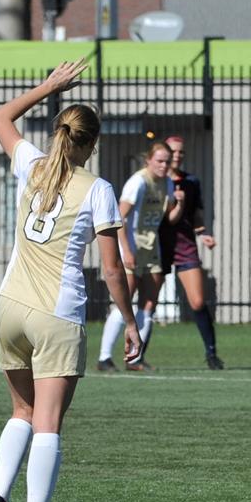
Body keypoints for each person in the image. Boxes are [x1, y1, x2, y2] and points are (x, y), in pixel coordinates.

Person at [0, 61, 140, 502]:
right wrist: (130, 322)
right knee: (47, 422)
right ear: (91, 143)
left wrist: (48, 86)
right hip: (56, 313)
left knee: (20, 412)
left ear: (57, 133)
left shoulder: (31, 164)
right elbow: (112, 270)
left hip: (8, 307)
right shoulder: (97, 188)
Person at [96, 142, 169, 372]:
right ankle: (104, 357)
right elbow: (119, 217)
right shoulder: (138, 182)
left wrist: (180, 202)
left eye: (167, 161)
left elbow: (169, 218)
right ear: (148, 160)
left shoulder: (167, 182)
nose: (164, 165)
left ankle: (135, 357)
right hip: (132, 247)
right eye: (159, 160)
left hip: (151, 248)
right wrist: (126, 250)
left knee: (149, 304)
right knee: (123, 302)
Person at [163, 135, 224, 370]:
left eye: (181, 152)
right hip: (159, 245)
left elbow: (196, 216)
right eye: (173, 151)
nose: (177, 156)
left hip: (184, 245)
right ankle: (137, 356)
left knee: (198, 301)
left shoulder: (191, 182)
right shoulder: (153, 180)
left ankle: (211, 353)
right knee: (147, 304)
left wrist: (202, 232)